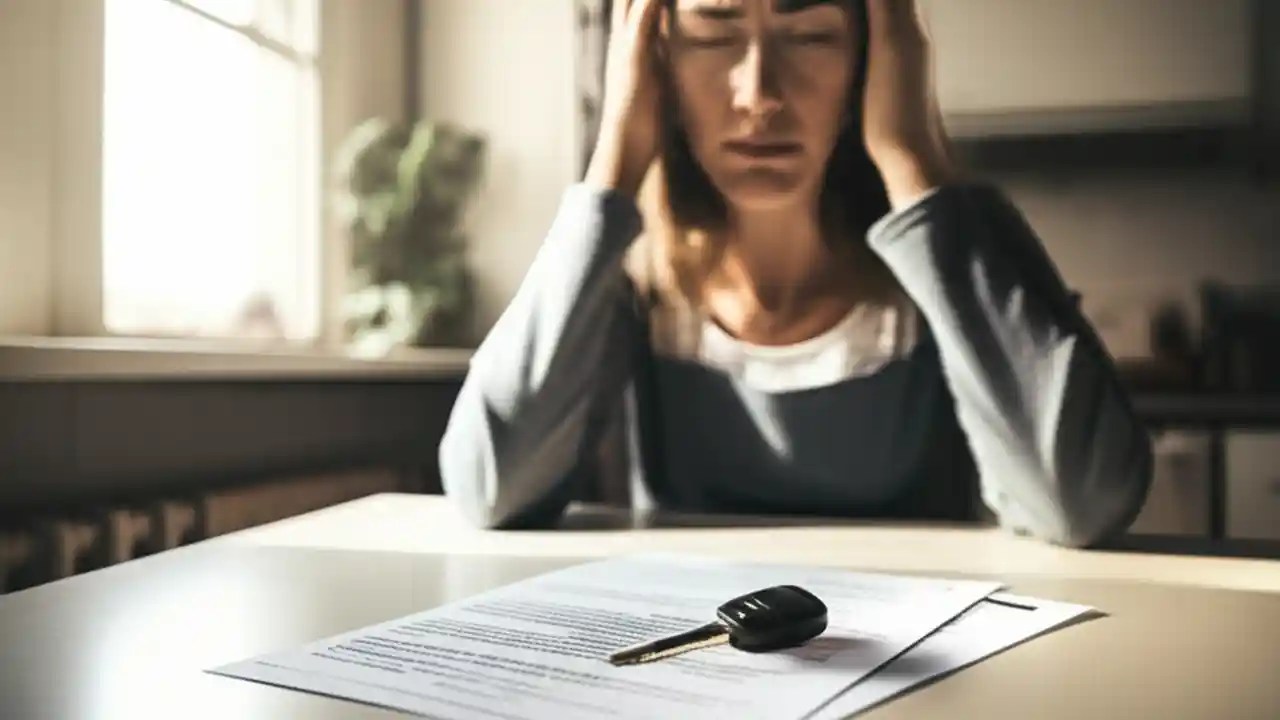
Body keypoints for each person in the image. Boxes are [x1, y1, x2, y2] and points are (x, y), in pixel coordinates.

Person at [439, 0, 1152, 546]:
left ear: (870, 61)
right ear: (656, 62)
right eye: (712, 35)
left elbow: (1083, 504)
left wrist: (911, 157)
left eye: (810, 35)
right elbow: (488, 490)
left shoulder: (948, 268)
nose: (759, 94)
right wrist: (615, 162)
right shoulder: (635, 287)